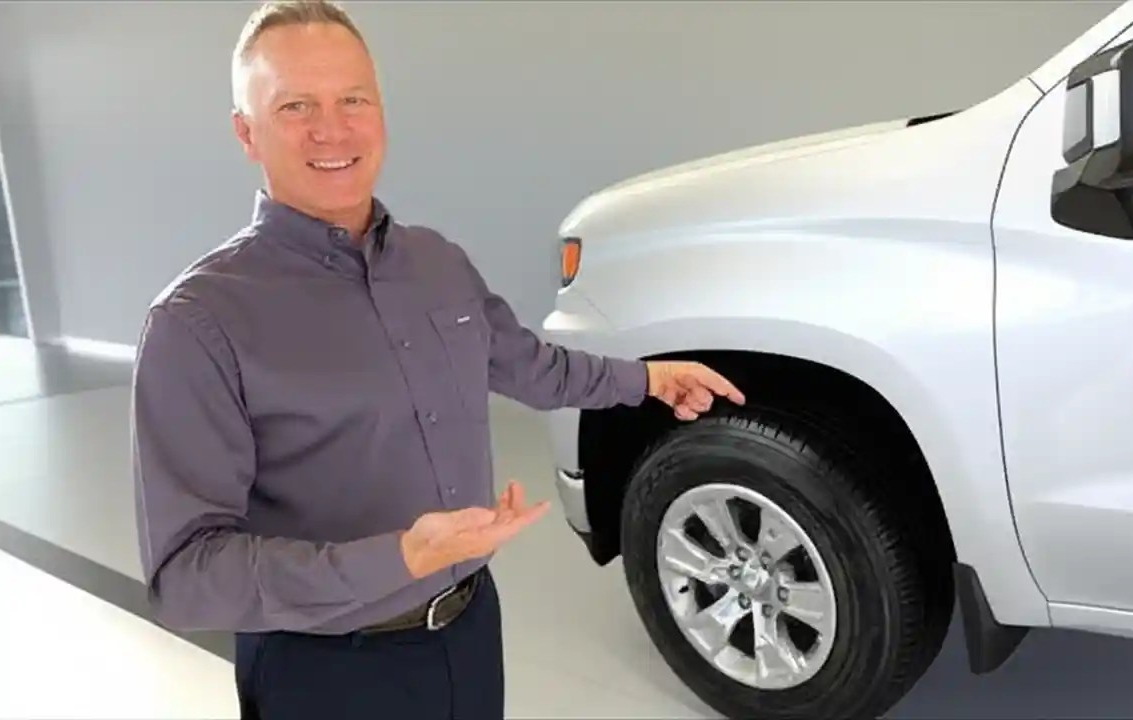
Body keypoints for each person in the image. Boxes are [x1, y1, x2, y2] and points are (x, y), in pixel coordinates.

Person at [129, 1, 744, 719]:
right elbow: (187, 575)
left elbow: (529, 365)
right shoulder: (197, 322)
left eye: (353, 99)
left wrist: (646, 381)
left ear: (381, 109)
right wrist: (398, 558)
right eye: (296, 105)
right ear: (246, 132)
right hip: (325, 671)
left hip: (470, 628)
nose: (332, 128)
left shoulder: (436, 262)